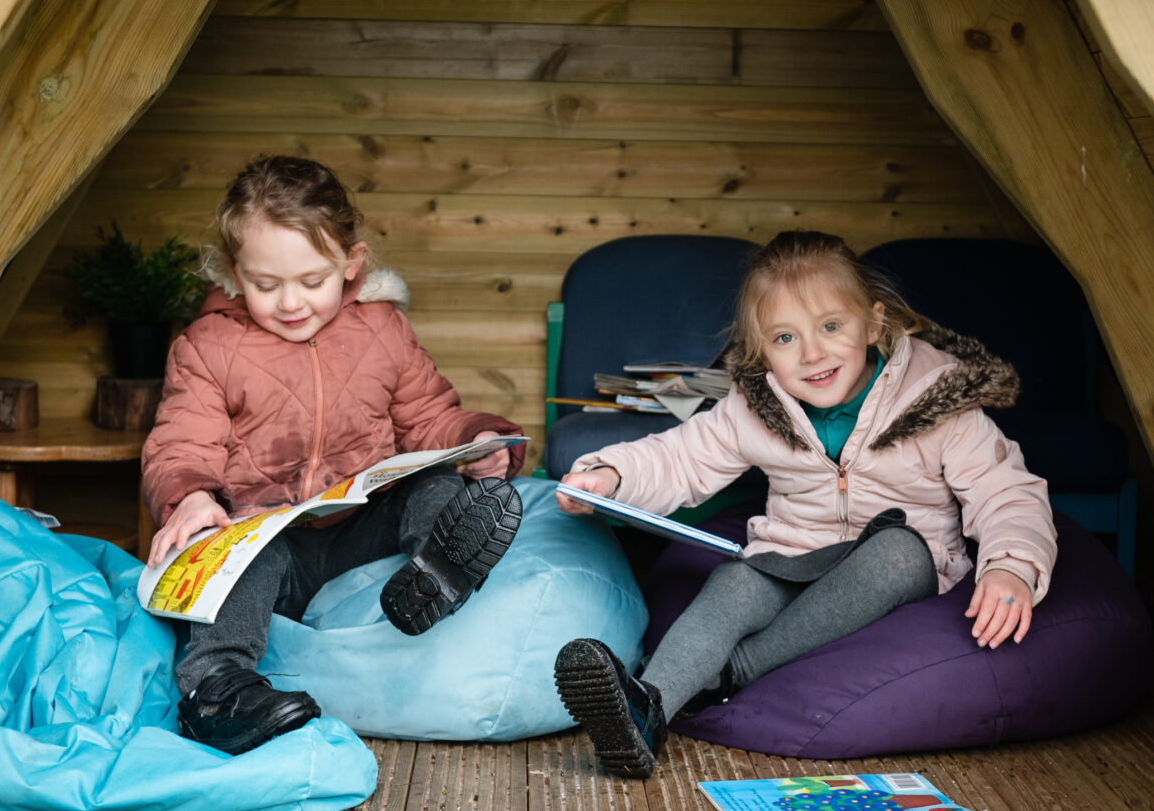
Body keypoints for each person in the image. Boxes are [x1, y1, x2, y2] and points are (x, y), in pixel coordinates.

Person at [552, 230, 1056, 778]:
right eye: (785, 337)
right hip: (795, 553)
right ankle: (645, 710)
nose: (812, 354)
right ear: (761, 350)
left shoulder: (936, 399)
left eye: (831, 327)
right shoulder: (757, 405)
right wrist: (611, 475)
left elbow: (1006, 491)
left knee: (896, 554)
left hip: (906, 563)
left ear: (874, 324)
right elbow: (682, 457)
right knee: (736, 581)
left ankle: (732, 672)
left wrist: (1011, 566)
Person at [142, 155, 526, 755]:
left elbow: (428, 418)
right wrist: (191, 496)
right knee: (242, 551)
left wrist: (478, 439)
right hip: (273, 543)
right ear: (235, 273)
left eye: (312, 280)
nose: (290, 302)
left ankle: (438, 572)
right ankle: (217, 689)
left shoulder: (382, 330)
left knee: (435, 488)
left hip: (360, 529)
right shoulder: (208, 347)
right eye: (265, 285)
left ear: (351, 264)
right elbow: (181, 442)